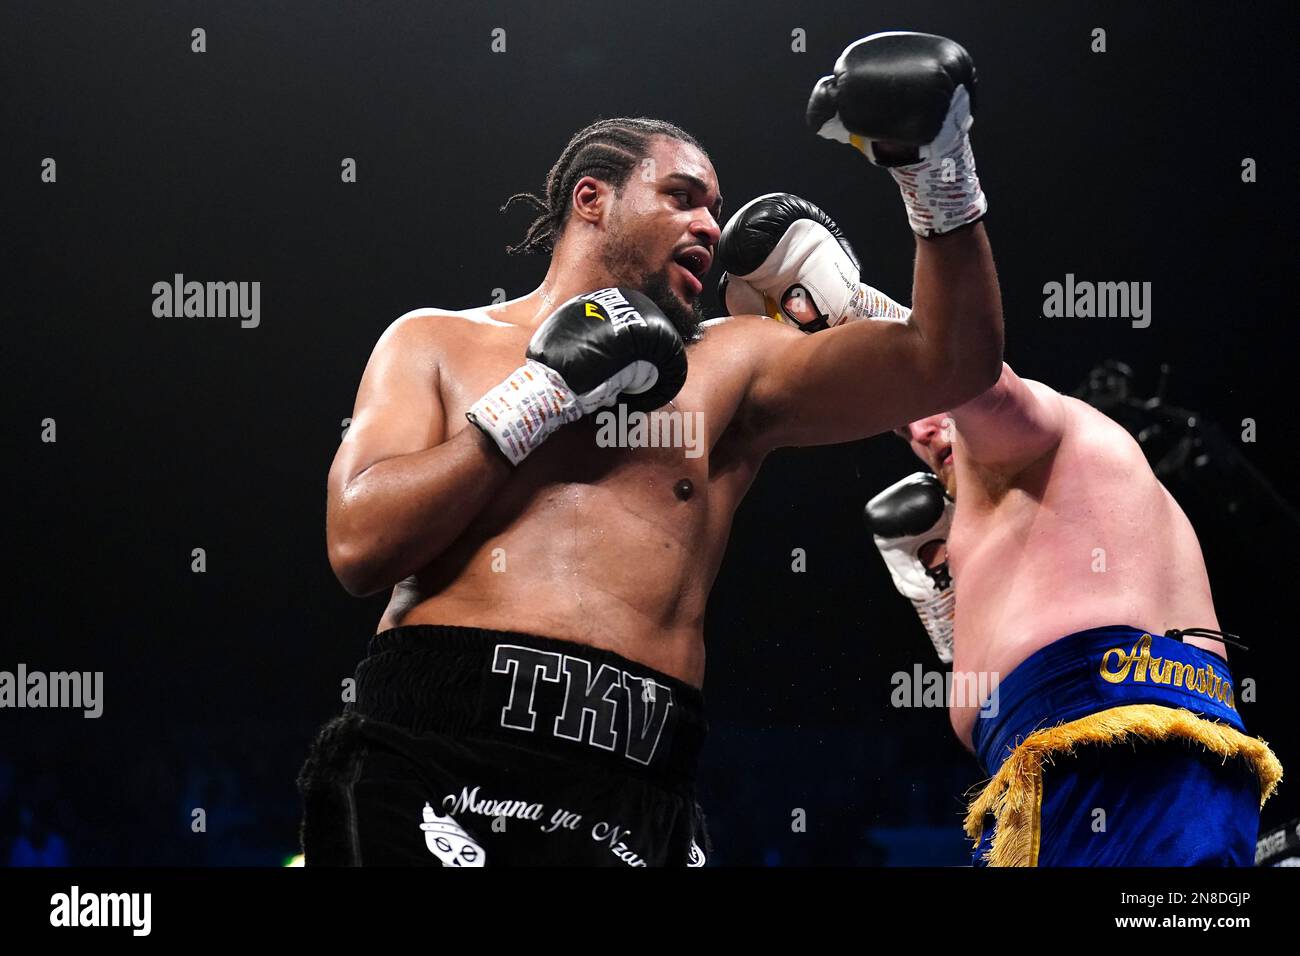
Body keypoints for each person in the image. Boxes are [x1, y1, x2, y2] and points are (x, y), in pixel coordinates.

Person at [298, 32, 1004, 866]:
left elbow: (949, 362)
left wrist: (935, 172)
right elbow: (358, 545)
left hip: (641, 773)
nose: (712, 223)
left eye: (713, 205)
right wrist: (536, 400)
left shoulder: (731, 359)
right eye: (681, 196)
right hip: (437, 745)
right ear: (592, 199)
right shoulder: (438, 341)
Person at [867, 365, 1283, 865]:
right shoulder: (996, 511)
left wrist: (839, 309)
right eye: (902, 427)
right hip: (1061, 791)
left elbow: (967, 364)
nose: (919, 431)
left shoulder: (1044, 422)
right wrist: (945, 599)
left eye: (926, 405)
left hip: (1122, 768)